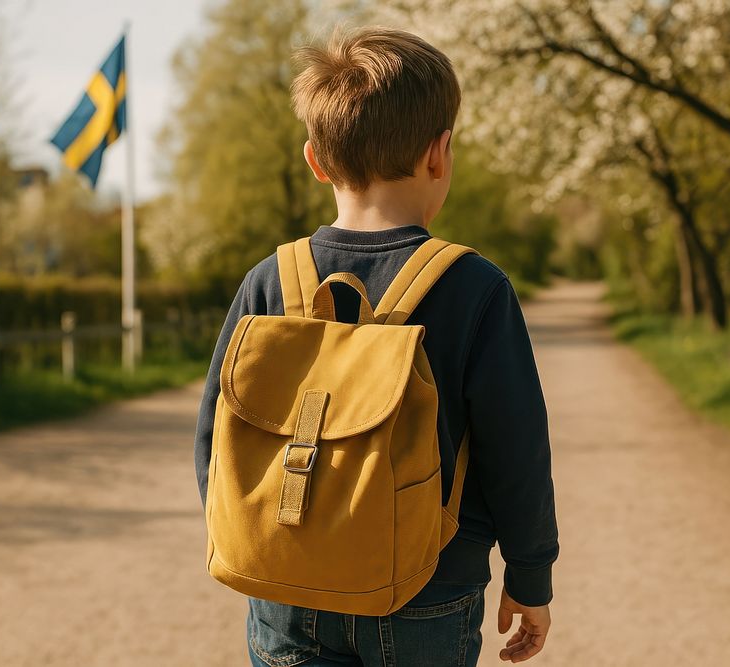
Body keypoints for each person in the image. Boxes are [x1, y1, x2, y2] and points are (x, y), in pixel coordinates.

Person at [193, 25, 559, 666]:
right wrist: (530, 576)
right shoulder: (473, 286)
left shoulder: (268, 280)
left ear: (315, 159)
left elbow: (215, 438)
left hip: (286, 589)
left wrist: (265, 540)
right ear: (439, 153)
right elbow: (516, 450)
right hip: (425, 589)